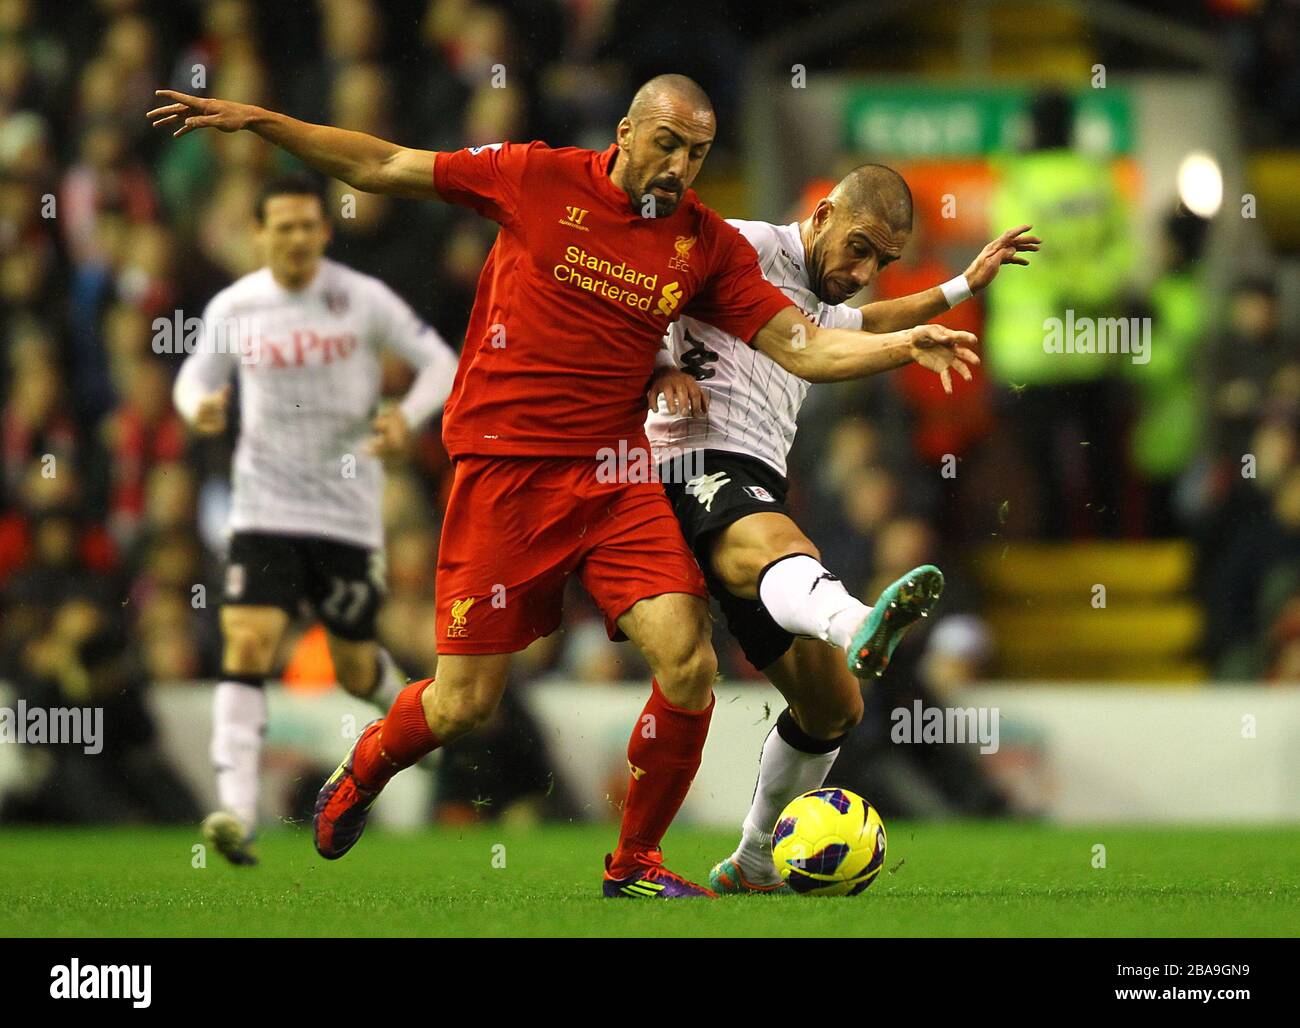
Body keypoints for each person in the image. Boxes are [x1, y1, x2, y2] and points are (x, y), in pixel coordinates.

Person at [149, 74, 977, 898]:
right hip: (504, 473)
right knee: (464, 703)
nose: (679, 168)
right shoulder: (536, 177)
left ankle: (634, 867)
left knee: (688, 660)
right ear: (624, 130)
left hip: (614, 474)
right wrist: (260, 118)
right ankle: (364, 769)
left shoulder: (704, 244)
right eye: (667, 144)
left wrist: (907, 345)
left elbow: (805, 345)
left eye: (697, 154)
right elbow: (384, 166)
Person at [645, 164, 1036, 891]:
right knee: (777, 546)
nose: (863, 273)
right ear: (821, 215)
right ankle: (856, 622)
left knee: (833, 707)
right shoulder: (746, 243)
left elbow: (865, 321)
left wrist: (960, 289)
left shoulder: (821, 294)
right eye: (858, 249)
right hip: (690, 459)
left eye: (881, 262)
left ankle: (756, 859)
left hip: (753, 478)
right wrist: (660, 366)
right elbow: (646, 282)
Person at [172, 174, 459, 865]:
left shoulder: (359, 300)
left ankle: (418, 726)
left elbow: (441, 364)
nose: (297, 238)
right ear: (259, 234)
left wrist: (405, 418)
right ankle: (237, 812)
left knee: (358, 670)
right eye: (283, 227)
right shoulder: (236, 306)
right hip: (263, 506)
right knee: (247, 641)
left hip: (345, 512)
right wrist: (195, 407)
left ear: (324, 233)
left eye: (308, 226)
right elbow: (191, 377)